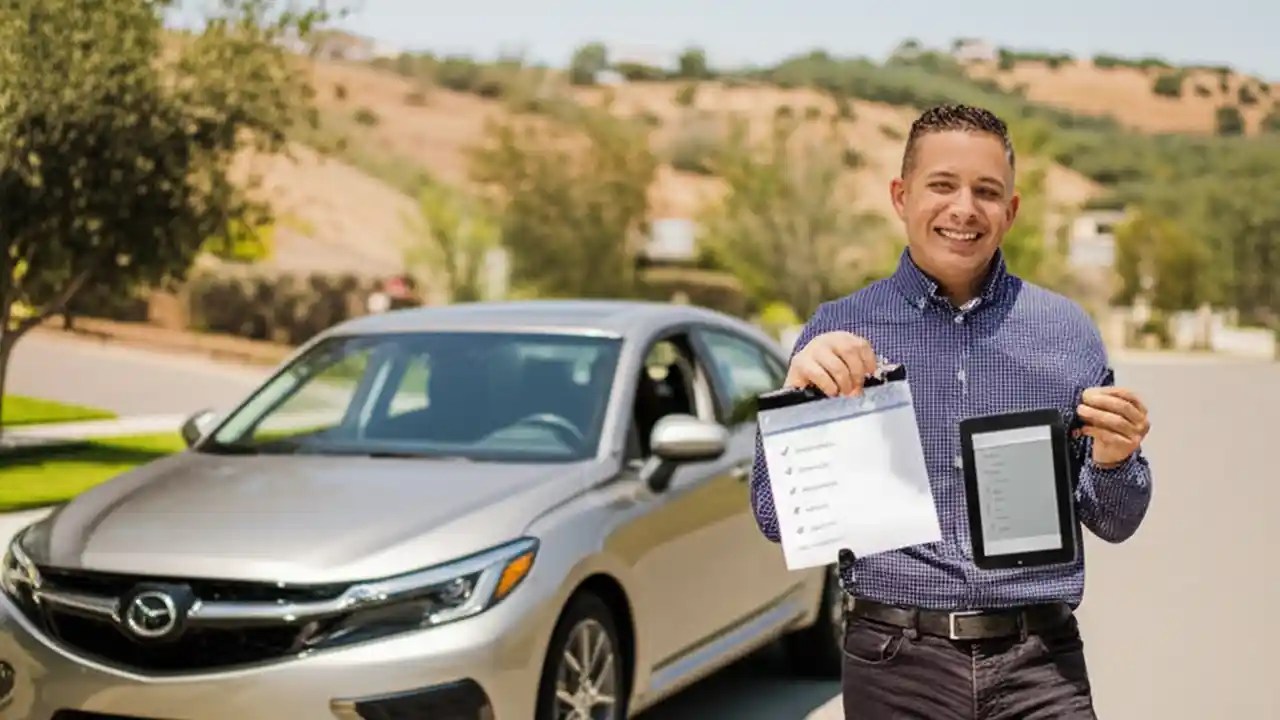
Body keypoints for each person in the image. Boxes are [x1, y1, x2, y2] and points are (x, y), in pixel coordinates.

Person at [749, 103, 1153, 719]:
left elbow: (1116, 519)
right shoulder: (838, 331)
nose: (964, 208)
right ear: (901, 196)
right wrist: (796, 405)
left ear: (1010, 212)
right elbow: (777, 518)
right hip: (893, 667)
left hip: (1041, 668)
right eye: (942, 185)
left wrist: (1116, 458)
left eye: (987, 191)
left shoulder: (1067, 333)